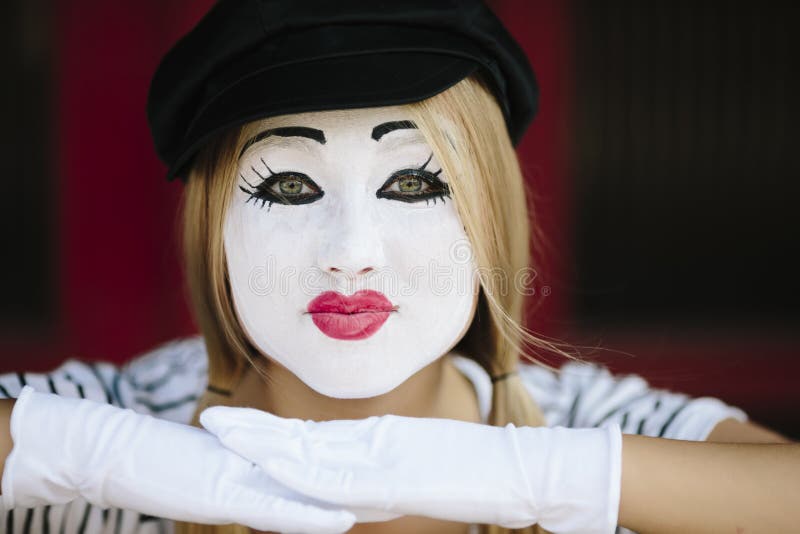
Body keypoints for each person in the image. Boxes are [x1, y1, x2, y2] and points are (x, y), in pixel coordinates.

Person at [0, 2, 796, 534]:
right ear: (213, 231)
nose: (351, 252)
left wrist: (543, 474)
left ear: (491, 217)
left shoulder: (583, 424)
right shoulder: (119, 418)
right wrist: (91, 458)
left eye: (415, 182)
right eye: (287, 184)